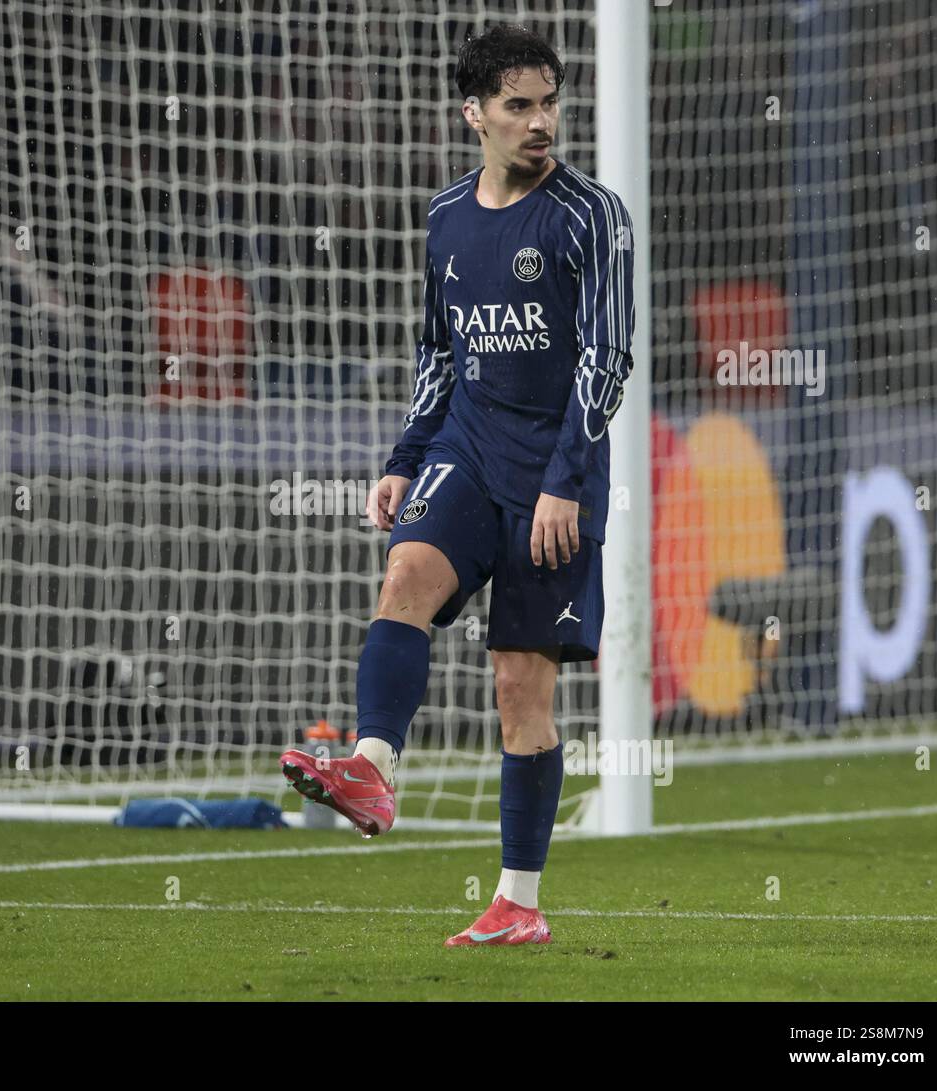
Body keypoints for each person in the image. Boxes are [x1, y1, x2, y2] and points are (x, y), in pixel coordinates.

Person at [280, 23, 634, 948]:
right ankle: (371, 765)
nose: (541, 121)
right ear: (473, 113)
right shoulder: (444, 218)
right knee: (403, 577)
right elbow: (439, 351)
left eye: (550, 102)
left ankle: (518, 899)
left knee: (519, 689)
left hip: (557, 478)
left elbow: (608, 358)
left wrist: (566, 482)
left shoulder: (592, 215)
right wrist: (404, 458)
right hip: (470, 451)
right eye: (519, 105)